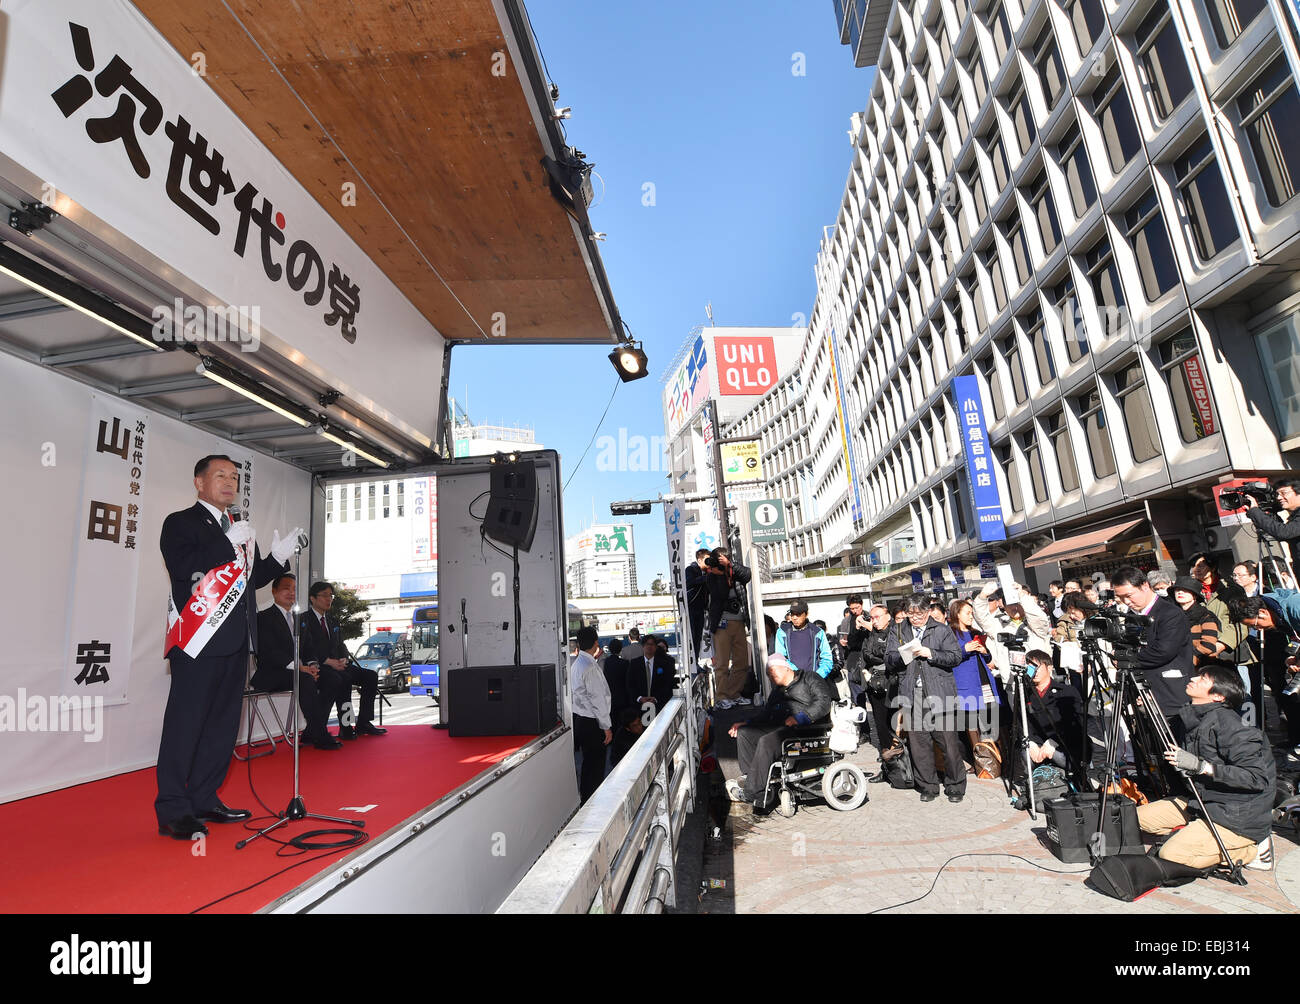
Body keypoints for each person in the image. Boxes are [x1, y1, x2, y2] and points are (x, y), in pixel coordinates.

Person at [156, 455, 301, 838]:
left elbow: (246, 581)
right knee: (185, 725)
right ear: (198, 482)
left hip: (236, 642)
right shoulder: (180, 523)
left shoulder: (237, 527)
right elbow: (187, 570)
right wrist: (224, 545)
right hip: (198, 641)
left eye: (235, 477)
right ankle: (173, 808)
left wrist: (276, 559)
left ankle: (205, 797)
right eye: (220, 475)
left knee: (222, 728)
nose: (229, 482)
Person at [1136, 667, 1276, 870]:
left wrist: (1202, 767)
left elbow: (1256, 778)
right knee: (1137, 818)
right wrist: (1149, 713)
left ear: (1218, 696)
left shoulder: (1232, 726)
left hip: (1236, 814)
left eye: (1203, 679)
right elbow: (1172, 746)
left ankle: (1254, 850)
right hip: (1202, 801)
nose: (1193, 678)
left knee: (1171, 854)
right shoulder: (1193, 716)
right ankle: (1199, 834)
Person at [725, 654, 835, 809]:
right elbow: (765, 714)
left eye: (773, 671)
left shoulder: (810, 678)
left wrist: (801, 717)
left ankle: (753, 792)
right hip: (781, 728)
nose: (770, 675)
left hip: (805, 730)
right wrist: (746, 723)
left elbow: (823, 702)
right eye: (768, 673)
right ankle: (751, 779)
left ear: (786, 667)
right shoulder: (777, 690)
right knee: (745, 733)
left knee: (767, 741)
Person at [886, 594, 965, 803]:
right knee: (919, 745)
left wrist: (931, 653)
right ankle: (928, 785)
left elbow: (955, 656)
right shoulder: (899, 630)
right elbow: (889, 658)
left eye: (919, 614)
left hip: (940, 693)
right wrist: (906, 655)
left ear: (928, 611)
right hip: (912, 694)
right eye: (911, 614)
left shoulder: (941, 629)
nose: (915, 618)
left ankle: (955, 785)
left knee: (948, 744)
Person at [251, 573, 343, 750]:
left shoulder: (299, 619)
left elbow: (309, 648)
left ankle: (312, 731)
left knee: (333, 679)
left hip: (299, 670)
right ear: (274, 591)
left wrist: (313, 665)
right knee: (304, 679)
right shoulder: (263, 617)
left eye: (294, 589)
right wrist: (300, 668)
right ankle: (320, 734)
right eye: (286, 588)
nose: (291, 593)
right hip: (271, 673)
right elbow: (270, 651)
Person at [299, 581, 387, 740]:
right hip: (320, 667)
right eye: (324, 595)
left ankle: (363, 723)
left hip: (339, 665)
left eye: (330, 596)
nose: (328, 599)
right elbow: (305, 648)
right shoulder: (303, 620)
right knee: (342, 679)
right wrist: (328, 661)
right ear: (312, 598)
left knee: (370, 676)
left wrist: (344, 658)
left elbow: (341, 644)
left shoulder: (333, 620)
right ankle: (337, 728)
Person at [1109, 566, 1193, 729]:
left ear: (1145, 586)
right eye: (1120, 597)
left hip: (1170, 695)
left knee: (1176, 746)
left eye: (1129, 595)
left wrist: (1125, 658)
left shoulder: (1170, 613)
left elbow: (1163, 652)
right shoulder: (1132, 615)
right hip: (1143, 693)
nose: (1126, 601)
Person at [1229, 594, 1300, 758]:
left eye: (1256, 625)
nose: (1259, 630)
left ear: (1262, 612)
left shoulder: (1294, 608)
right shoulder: (1279, 614)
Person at [1012, 650, 1085, 799]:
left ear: (1049, 667)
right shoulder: (1024, 693)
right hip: (1038, 746)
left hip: (1064, 745)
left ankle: (1073, 784)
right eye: (1029, 668)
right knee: (1025, 753)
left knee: (1067, 758)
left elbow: (1076, 726)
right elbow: (1021, 723)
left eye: (1037, 667)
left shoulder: (1066, 691)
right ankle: (1034, 790)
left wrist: (1053, 743)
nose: (1034, 672)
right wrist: (1031, 743)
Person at [947, 598, 1002, 757]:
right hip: (965, 683)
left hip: (984, 680)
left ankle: (993, 756)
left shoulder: (975, 632)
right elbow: (949, 657)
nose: (971, 616)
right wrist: (965, 649)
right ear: (957, 614)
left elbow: (987, 658)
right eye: (968, 613)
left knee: (989, 719)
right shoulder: (950, 634)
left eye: (972, 613)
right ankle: (980, 759)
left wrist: (985, 652)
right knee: (972, 722)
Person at [705, 547, 752, 710]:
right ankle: (721, 696)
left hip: (739, 621)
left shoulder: (734, 569)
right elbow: (719, 594)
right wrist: (721, 573)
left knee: (742, 661)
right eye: (720, 559)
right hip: (721, 622)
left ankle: (734, 694)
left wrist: (730, 566)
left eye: (725, 558)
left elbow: (748, 574)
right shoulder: (712, 575)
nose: (722, 561)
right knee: (722, 663)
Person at [570, 626, 612, 803]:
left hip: (580, 719)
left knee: (588, 765)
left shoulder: (577, 664)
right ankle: (593, 802)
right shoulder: (590, 667)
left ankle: (587, 799)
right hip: (592, 722)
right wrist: (606, 726)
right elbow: (598, 700)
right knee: (595, 766)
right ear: (596, 642)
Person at [1171, 576, 1225, 668]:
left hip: (1200, 667)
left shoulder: (1206, 616)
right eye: (1177, 589)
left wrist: (1188, 660)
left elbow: (1208, 646)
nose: (1180, 592)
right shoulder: (1171, 615)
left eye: (1185, 590)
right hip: (1174, 664)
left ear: (1194, 595)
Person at [775, 600, 833, 679]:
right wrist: (796, 674)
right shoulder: (782, 632)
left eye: (798, 614)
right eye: (792, 614)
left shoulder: (818, 632)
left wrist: (818, 676)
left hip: (814, 681)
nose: (794, 617)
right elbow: (781, 658)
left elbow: (827, 659)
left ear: (806, 614)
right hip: (792, 680)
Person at [625, 634, 675, 719]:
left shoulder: (663, 664)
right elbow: (630, 684)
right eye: (647, 644)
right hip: (639, 706)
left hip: (658, 706)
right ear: (643, 646)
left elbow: (666, 684)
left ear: (655, 647)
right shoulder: (634, 663)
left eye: (652, 644)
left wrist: (655, 698)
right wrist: (640, 698)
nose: (649, 646)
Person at [684, 548, 711, 665]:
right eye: (707, 559)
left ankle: (696, 662)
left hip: (701, 608)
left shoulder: (708, 572)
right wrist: (705, 578)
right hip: (691, 606)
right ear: (700, 560)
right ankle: (692, 664)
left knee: (698, 638)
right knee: (692, 636)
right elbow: (688, 583)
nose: (710, 562)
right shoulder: (690, 569)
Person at [603, 638, 632, 727]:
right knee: (623, 721)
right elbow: (628, 681)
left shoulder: (607, 662)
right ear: (620, 649)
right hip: (623, 696)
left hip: (610, 697)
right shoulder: (625, 663)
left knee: (613, 721)